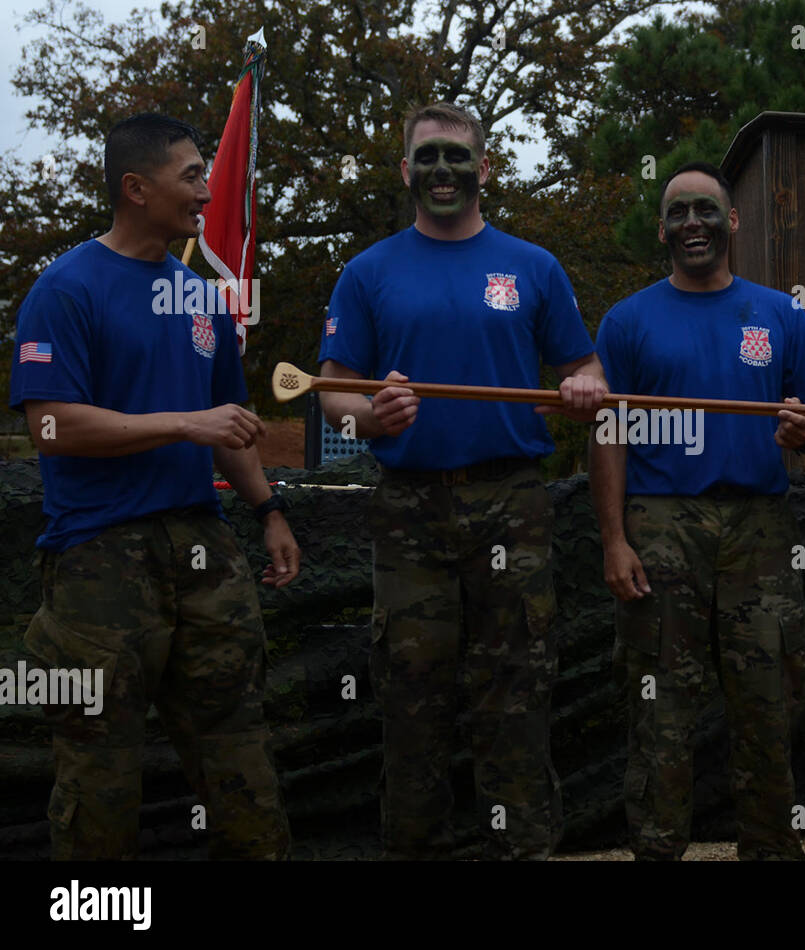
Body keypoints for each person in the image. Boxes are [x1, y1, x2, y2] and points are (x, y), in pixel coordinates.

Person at [317, 102, 607, 860]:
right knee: (412, 700)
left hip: (513, 504)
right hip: (408, 507)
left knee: (515, 693)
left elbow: (582, 368)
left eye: (456, 157)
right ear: (405, 170)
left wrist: (584, 386)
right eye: (427, 157)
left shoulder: (535, 267)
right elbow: (331, 395)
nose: (441, 170)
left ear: (484, 169)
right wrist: (369, 420)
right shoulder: (367, 272)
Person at [8, 112, 300, 860]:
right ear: (136, 188)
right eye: (191, 176)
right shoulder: (65, 289)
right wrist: (182, 425)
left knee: (241, 765)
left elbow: (229, 426)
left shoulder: (202, 298)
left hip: (204, 550)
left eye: (207, 174)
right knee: (98, 781)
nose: (206, 193)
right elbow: (50, 428)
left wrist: (268, 510)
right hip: (97, 563)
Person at [591, 161, 805, 860]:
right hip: (662, 523)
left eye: (706, 209)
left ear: (731, 221)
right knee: (660, 710)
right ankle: (659, 851)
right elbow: (607, 433)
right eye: (677, 213)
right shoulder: (627, 320)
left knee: (768, 705)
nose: (691, 222)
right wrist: (613, 539)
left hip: (760, 528)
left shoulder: (780, 313)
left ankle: (770, 851)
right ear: (661, 230)